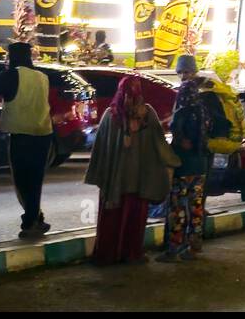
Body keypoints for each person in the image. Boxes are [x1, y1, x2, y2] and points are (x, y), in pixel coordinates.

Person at [85, 74, 180, 265]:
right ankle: (131, 254)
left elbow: (100, 151)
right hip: (139, 182)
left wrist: (101, 175)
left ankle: (108, 255)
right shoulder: (148, 114)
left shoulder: (110, 115)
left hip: (115, 183)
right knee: (135, 220)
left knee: (112, 220)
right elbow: (160, 145)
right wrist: (175, 161)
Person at [0, 42, 54, 239]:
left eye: (8, 56)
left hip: (21, 135)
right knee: (35, 180)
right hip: (43, 134)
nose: (6, 60)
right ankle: (36, 218)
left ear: (14, 57)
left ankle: (30, 222)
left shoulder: (11, 74)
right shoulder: (42, 77)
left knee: (22, 181)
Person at [162, 55, 209, 262]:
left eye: (185, 71)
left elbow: (175, 126)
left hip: (183, 165)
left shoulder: (183, 95)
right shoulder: (202, 102)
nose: (182, 76)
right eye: (180, 72)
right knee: (196, 207)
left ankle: (175, 248)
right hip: (200, 165)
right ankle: (194, 247)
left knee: (178, 208)